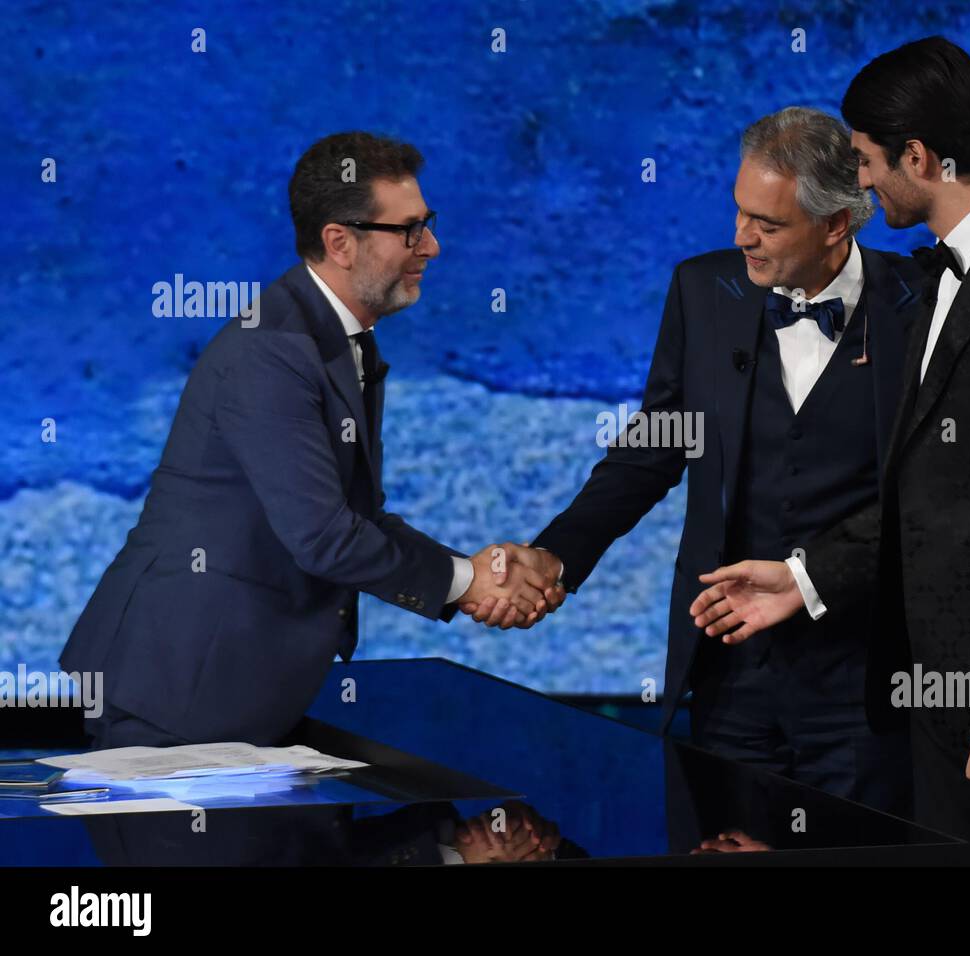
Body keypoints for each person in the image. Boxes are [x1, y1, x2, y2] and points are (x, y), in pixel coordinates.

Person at [690, 38, 970, 864]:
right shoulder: (938, 280)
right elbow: (933, 494)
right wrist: (805, 576)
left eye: (868, 161)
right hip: (941, 715)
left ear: (918, 156)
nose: (860, 182)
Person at [469, 108, 925, 809]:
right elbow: (650, 452)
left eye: (766, 225)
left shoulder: (921, 306)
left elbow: (937, 494)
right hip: (728, 674)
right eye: (739, 212)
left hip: (868, 684)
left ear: (837, 224)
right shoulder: (702, 292)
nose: (741, 236)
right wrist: (555, 555)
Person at [62, 132, 561, 750]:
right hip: (178, 696)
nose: (431, 246)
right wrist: (470, 582)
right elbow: (324, 537)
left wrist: (472, 574)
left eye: (427, 225)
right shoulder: (273, 349)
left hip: (240, 688)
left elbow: (359, 517)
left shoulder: (344, 340)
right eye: (409, 230)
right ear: (339, 242)